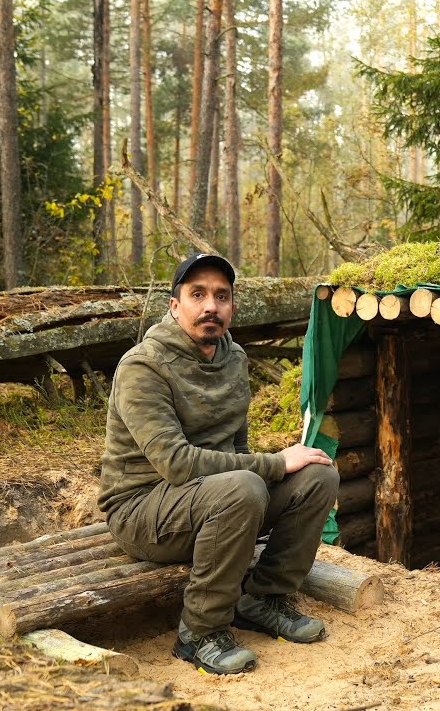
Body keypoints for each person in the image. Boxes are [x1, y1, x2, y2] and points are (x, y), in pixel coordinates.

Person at [98, 253, 339, 675]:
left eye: (221, 296)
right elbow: (175, 463)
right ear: (175, 306)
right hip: (142, 510)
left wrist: (273, 469)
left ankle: (263, 599)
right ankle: (199, 633)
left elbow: (238, 446)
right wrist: (274, 464)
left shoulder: (234, 358)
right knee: (244, 487)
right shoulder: (143, 366)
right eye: (198, 295)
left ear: (231, 307)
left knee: (318, 474)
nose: (211, 305)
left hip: (215, 499)